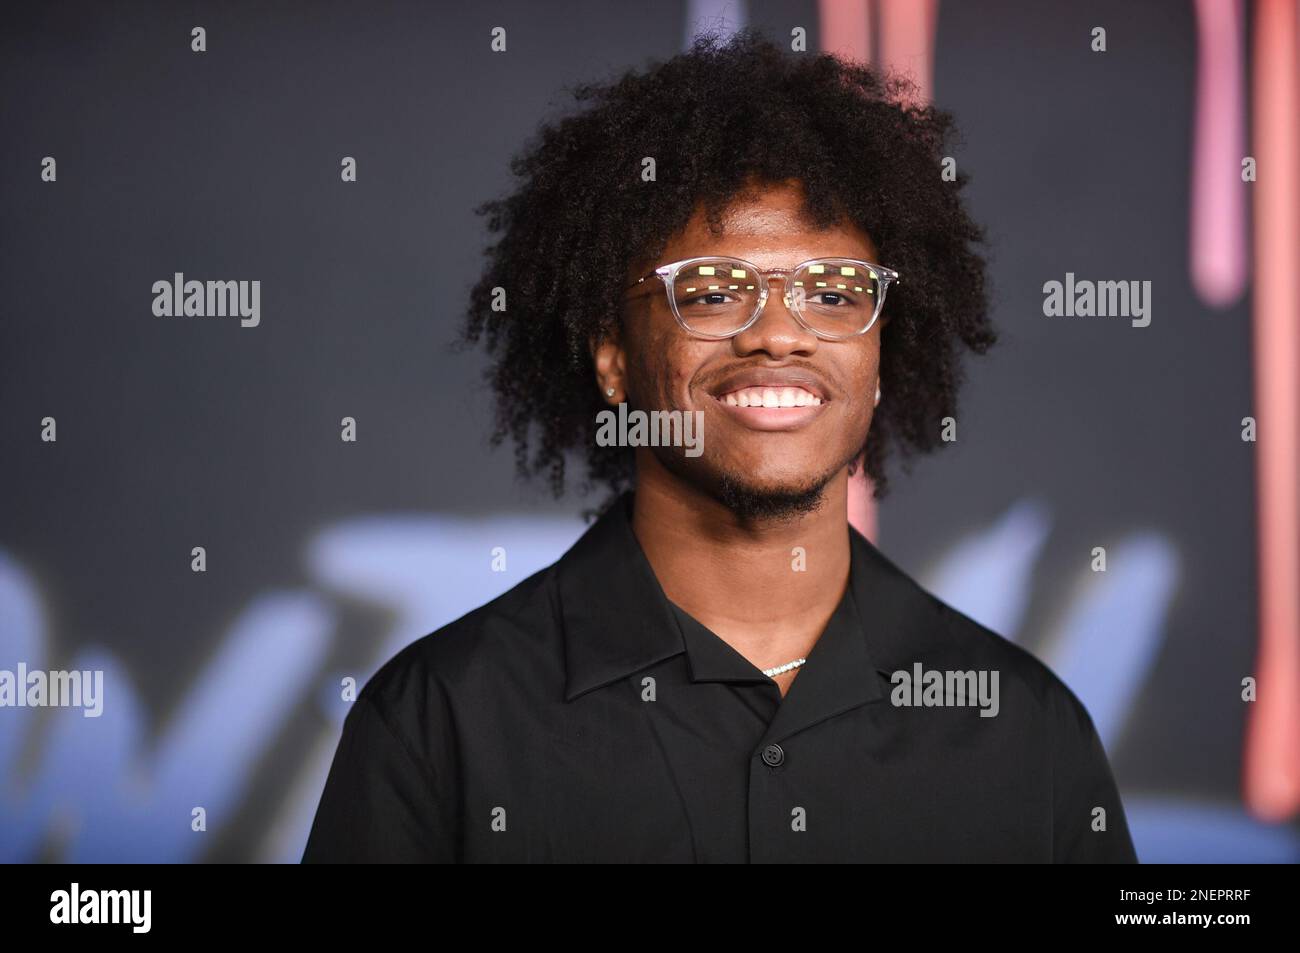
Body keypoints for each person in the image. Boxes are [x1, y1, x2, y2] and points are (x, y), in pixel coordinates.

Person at [302, 28, 1137, 863]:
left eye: (835, 294)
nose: (779, 334)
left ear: (881, 355)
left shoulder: (1025, 730)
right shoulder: (441, 722)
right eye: (710, 292)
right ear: (613, 356)